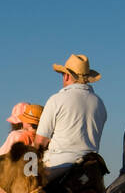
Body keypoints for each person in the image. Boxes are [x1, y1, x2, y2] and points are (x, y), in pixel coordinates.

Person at [35, 52, 107, 184]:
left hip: (59, 166)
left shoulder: (56, 100)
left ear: (67, 75)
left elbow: (40, 142)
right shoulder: (99, 103)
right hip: (91, 167)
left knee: (23, 181)